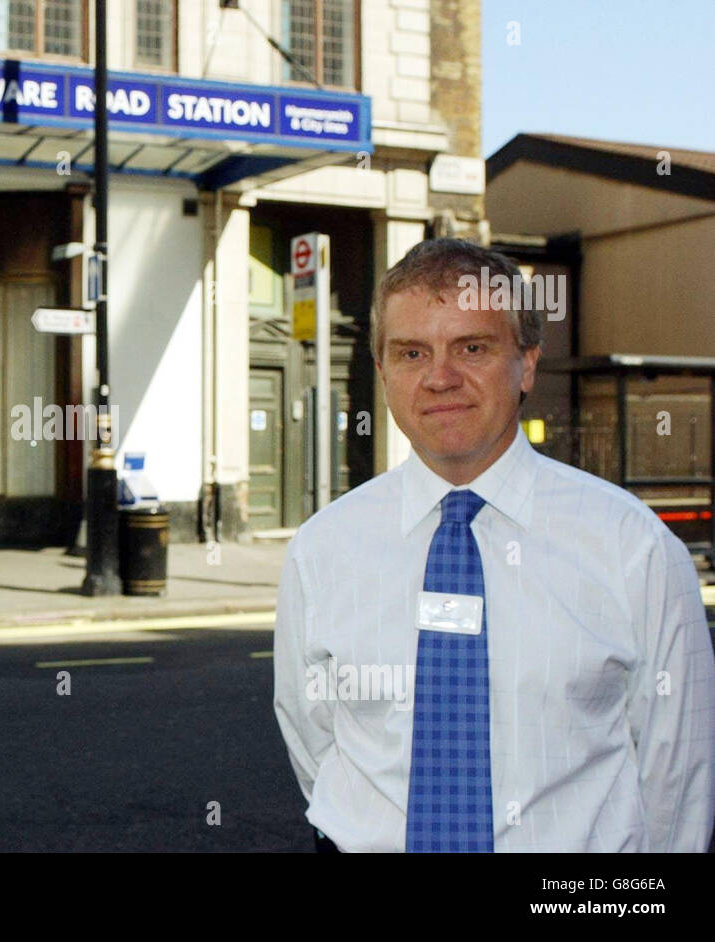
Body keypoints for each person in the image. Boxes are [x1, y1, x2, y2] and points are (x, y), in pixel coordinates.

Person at [273, 238, 715, 852]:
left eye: (472, 347)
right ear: (382, 371)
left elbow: (679, 775)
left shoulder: (632, 546)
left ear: (526, 363)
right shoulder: (322, 550)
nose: (439, 377)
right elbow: (315, 740)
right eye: (411, 352)